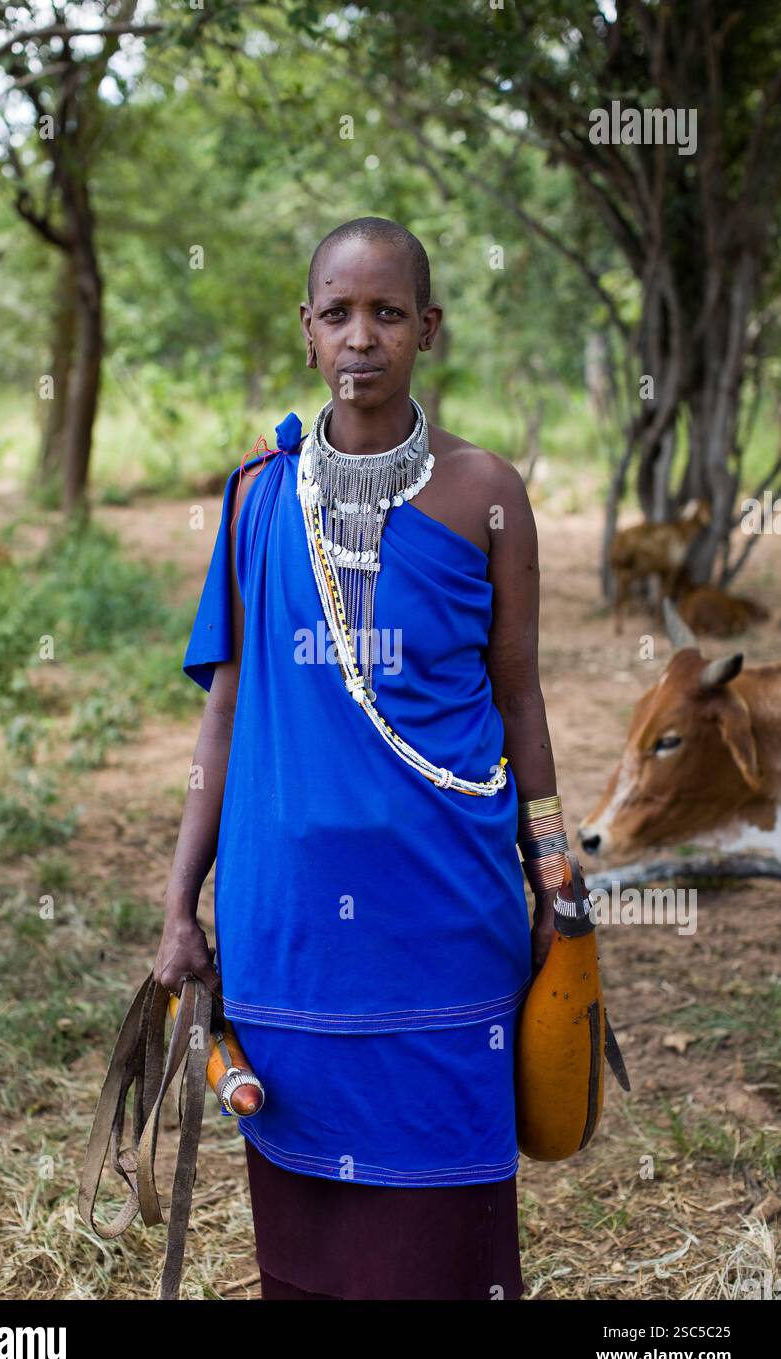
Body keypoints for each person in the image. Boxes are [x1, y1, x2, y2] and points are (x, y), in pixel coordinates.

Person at [154, 216, 565, 1301]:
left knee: (443, 1243)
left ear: (427, 327)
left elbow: (518, 695)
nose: (361, 337)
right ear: (306, 331)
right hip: (287, 931)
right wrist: (177, 904)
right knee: (305, 1250)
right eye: (337, 313)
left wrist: (554, 868)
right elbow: (225, 712)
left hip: (443, 921)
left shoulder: (485, 493)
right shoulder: (257, 495)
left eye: (387, 313)